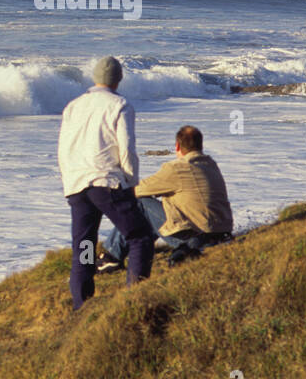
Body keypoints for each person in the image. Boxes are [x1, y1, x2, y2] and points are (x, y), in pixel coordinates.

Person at [57, 56, 156, 309]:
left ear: (94, 77)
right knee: (139, 236)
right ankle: (135, 300)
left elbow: (63, 148)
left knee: (85, 245)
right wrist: (131, 183)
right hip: (106, 181)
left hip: (77, 183)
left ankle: (82, 305)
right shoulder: (120, 105)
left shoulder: (73, 106)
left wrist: (69, 180)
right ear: (119, 79)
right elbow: (127, 150)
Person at [102, 125, 233, 269]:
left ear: (177, 146)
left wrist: (111, 190)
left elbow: (140, 190)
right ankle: (137, 247)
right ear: (200, 144)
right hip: (221, 233)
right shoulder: (210, 165)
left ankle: (112, 255)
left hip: (194, 237)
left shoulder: (178, 169)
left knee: (142, 203)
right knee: (153, 212)